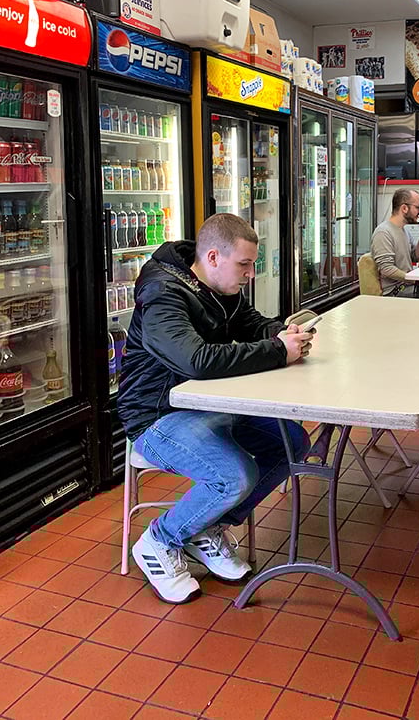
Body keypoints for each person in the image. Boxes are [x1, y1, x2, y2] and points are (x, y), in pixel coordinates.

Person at [118, 213, 313, 604]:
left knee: (292, 443)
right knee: (235, 474)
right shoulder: (162, 294)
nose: (250, 274)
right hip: (157, 416)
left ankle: (206, 526)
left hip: (212, 406)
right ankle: (159, 541)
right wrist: (277, 352)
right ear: (212, 257)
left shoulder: (219, 286)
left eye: (252, 264)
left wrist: (280, 334)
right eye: (245, 264)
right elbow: (196, 360)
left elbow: (251, 324)